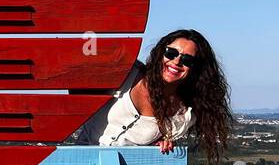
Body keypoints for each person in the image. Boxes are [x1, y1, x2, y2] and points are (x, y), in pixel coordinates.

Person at [76, 29, 233, 158]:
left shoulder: (181, 117)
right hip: (77, 160)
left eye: (187, 60)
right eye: (171, 53)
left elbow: (148, 150)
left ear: (195, 69)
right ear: (160, 53)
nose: (177, 62)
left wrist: (159, 145)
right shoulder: (126, 74)